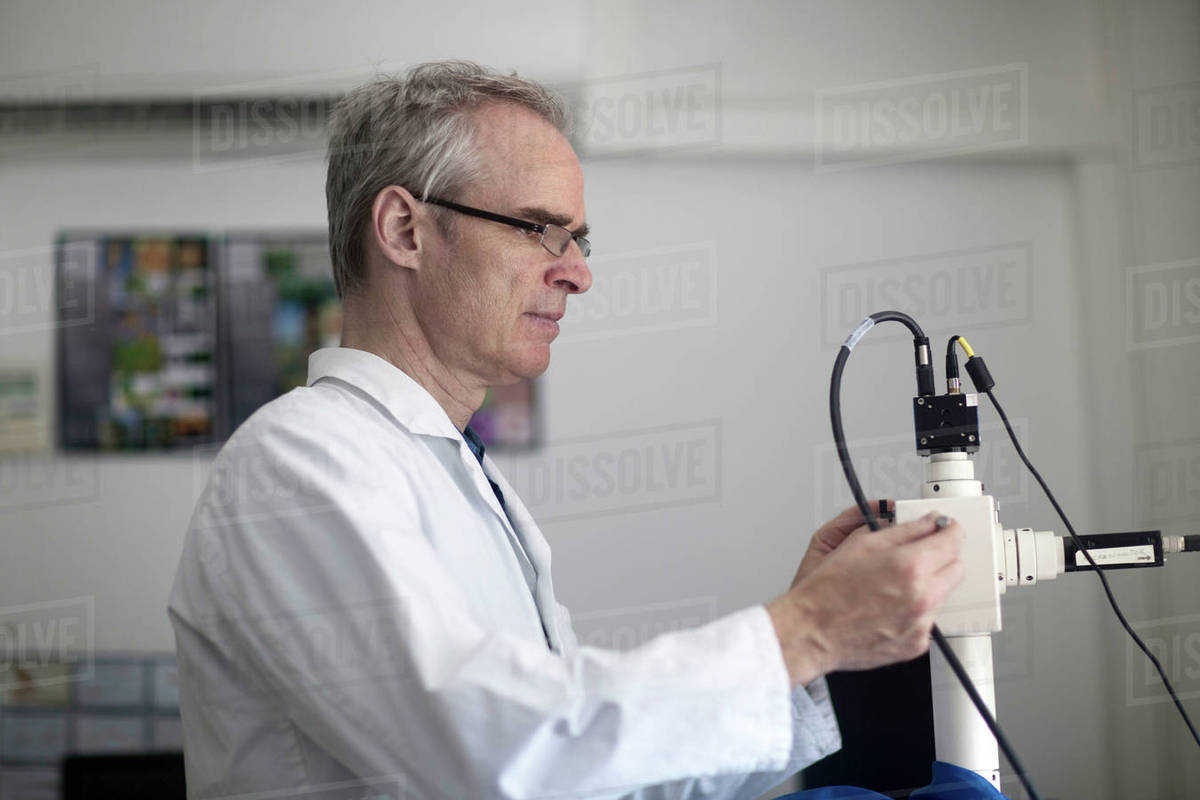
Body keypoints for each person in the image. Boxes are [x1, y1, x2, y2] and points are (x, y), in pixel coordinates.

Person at [168, 60, 965, 800]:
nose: (577, 272)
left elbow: (589, 774)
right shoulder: (296, 463)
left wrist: (816, 651)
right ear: (405, 231)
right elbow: (487, 751)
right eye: (538, 228)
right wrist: (806, 631)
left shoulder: (466, 480)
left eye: (579, 240)